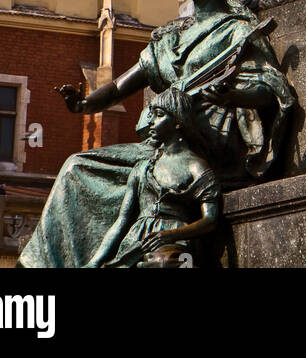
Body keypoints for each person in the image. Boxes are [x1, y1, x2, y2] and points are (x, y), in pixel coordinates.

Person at [18, 0, 295, 268]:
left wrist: (233, 96)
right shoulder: (170, 38)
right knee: (76, 167)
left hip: (205, 145)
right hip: (162, 143)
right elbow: (121, 86)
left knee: (79, 170)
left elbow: (270, 86)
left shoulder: (238, 32)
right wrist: (84, 104)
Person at [85, 90, 220, 268]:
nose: (151, 122)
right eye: (152, 115)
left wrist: (170, 234)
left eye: (159, 115)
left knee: (162, 263)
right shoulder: (142, 168)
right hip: (136, 242)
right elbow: (122, 220)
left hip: (175, 245)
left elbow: (210, 219)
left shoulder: (195, 166)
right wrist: (94, 262)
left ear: (178, 121)